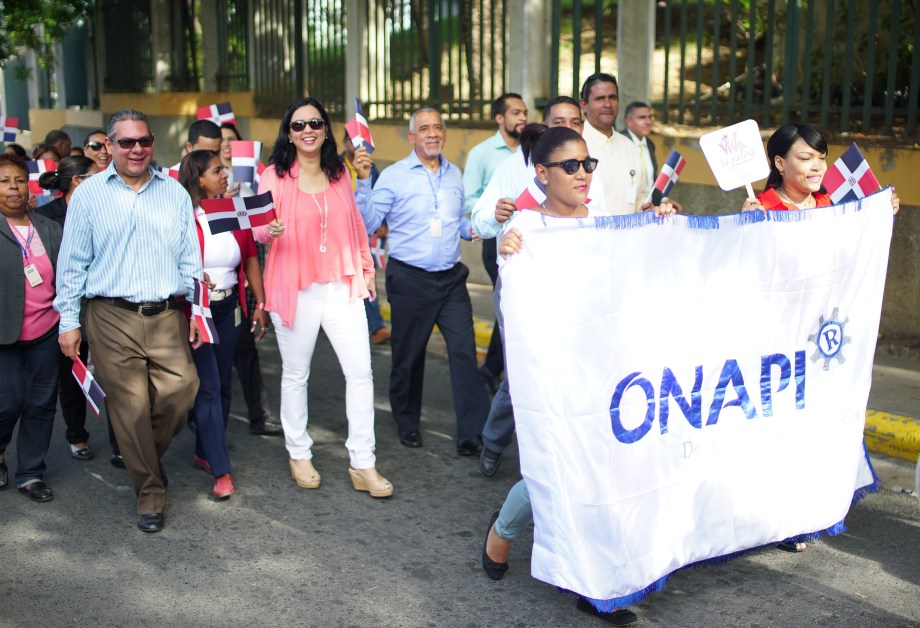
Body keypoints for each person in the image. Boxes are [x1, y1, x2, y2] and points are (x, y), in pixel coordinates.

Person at [480, 124, 656, 627]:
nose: (583, 174)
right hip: (557, 375)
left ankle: (597, 586)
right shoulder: (527, 233)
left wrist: (662, 226)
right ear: (542, 173)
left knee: (608, 474)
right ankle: (502, 531)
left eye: (588, 164)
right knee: (555, 470)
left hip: (612, 373)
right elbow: (518, 315)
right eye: (571, 166)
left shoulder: (605, 223)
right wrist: (510, 250)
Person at [55, 109, 203, 533]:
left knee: (183, 389)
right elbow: (72, 265)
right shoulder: (88, 195)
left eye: (144, 140)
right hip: (109, 316)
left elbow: (190, 258)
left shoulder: (173, 193)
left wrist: (197, 310)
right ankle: (150, 492)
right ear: (110, 146)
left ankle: (144, 459)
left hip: (166, 313)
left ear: (152, 143)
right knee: (131, 407)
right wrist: (69, 322)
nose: (137, 149)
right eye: (126, 142)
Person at [257, 97, 392, 498]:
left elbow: (355, 224)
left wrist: (366, 271)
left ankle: (363, 462)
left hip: (341, 285)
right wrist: (271, 230)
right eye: (299, 125)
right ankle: (299, 452)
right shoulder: (274, 175)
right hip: (294, 288)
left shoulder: (339, 173)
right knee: (296, 374)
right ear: (289, 132)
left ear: (325, 129)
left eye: (315, 122)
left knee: (361, 374)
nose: (308, 130)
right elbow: (259, 230)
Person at [470, 95, 604, 477]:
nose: (567, 128)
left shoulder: (585, 170)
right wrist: (499, 222)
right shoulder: (515, 168)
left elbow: (610, 227)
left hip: (577, 295)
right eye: (558, 121)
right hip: (523, 289)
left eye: (574, 122)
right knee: (525, 376)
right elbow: (479, 223)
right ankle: (495, 444)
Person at [362, 107, 490, 455]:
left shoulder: (454, 174)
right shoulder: (394, 175)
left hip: (451, 280)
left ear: (444, 134)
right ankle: (406, 421)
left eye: (437, 128)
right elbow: (370, 221)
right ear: (412, 137)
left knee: (464, 354)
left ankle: (472, 435)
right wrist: (362, 184)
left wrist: (477, 227)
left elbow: (458, 224)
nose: (432, 133)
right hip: (410, 278)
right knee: (409, 356)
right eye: (424, 129)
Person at [179, 149, 270, 500]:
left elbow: (249, 258)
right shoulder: (183, 215)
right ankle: (221, 468)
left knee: (222, 385)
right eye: (217, 170)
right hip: (196, 310)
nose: (225, 175)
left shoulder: (233, 210)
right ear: (198, 177)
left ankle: (204, 450)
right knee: (211, 387)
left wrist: (260, 304)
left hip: (231, 307)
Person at [35, 155, 122, 464]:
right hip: (65, 308)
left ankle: (121, 443)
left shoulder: (106, 209)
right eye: (96, 176)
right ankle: (77, 435)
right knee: (72, 375)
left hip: (104, 307)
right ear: (77, 181)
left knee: (114, 378)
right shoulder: (43, 217)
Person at [0, 153, 62, 502]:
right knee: (6, 405)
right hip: (3, 335)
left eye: (19, 180)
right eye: (5, 181)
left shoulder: (48, 228)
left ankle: (30, 474)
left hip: (46, 332)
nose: (13, 187)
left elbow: (66, 280)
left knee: (40, 403)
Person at [218, 122, 282, 436]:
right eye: (222, 141)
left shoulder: (255, 175)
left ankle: (259, 414)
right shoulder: (208, 179)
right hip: (217, 274)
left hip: (249, 253)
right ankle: (203, 414)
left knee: (246, 344)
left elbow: (265, 218)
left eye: (232, 140)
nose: (227, 145)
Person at [463, 92, 528, 394]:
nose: (523, 118)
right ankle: (495, 371)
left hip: (528, 238)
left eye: (525, 112)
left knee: (513, 305)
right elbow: (470, 197)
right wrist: (493, 210)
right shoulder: (483, 153)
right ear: (500, 118)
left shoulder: (533, 151)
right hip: (497, 238)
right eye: (516, 112)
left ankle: (491, 369)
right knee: (509, 302)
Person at [742, 122, 900, 216]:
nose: (818, 167)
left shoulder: (835, 203)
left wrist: (883, 212)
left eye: (822, 158)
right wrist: (744, 228)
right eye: (805, 158)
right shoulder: (760, 210)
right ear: (780, 163)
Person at [580, 74, 683, 215]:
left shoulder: (630, 147)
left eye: (612, 98)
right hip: (589, 233)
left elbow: (640, 196)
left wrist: (649, 208)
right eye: (600, 99)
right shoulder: (575, 145)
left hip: (628, 234)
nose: (608, 104)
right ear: (584, 105)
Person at [342, 128, 390, 345]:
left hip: (363, 233)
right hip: (339, 234)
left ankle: (376, 326)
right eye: (354, 142)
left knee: (365, 276)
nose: (359, 147)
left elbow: (380, 198)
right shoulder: (334, 167)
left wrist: (383, 224)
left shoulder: (372, 169)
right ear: (344, 143)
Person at [621, 101, 657, 194]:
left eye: (650, 117)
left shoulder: (650, 144)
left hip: (649, 205)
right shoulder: (619, 143)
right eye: (642, 117)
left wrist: (663, 199)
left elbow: (652, 180)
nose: (648, 122)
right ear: (628, 121)